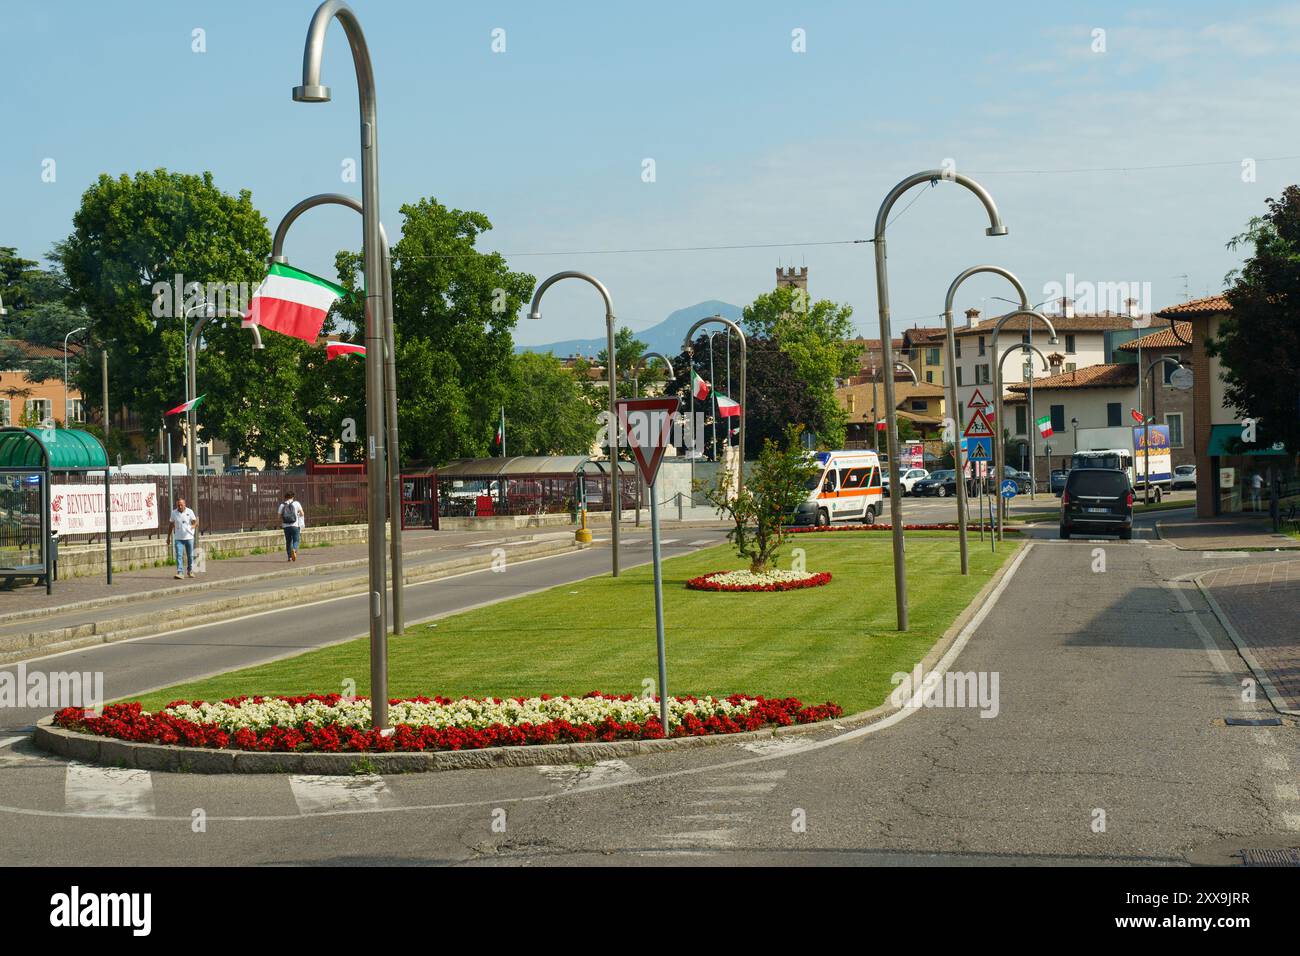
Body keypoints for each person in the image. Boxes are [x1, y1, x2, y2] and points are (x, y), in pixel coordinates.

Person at [169, 496, 198, 579]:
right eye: (178, 505)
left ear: (184, 504)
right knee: (179, 555)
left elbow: (195, 522)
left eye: (181, 505)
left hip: (189, 537)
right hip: (178, 538)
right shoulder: (174, 513)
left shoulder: (190, 512)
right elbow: (171, 525)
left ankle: (190, 571)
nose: (180, 507)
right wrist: (168, 537)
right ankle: (180, 572)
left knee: (190, 555)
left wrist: (193, 526)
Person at [278, 491, 305, 562]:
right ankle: (294, 549)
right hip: (295, 525)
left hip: (286, 526)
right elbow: (302, 513)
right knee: (296, 540)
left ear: (285, 497)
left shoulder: (282, 505)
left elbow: (279, 516)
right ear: (293, 497)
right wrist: (298, 514)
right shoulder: (296, 503)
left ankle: (289, 557)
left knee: (288, 541)